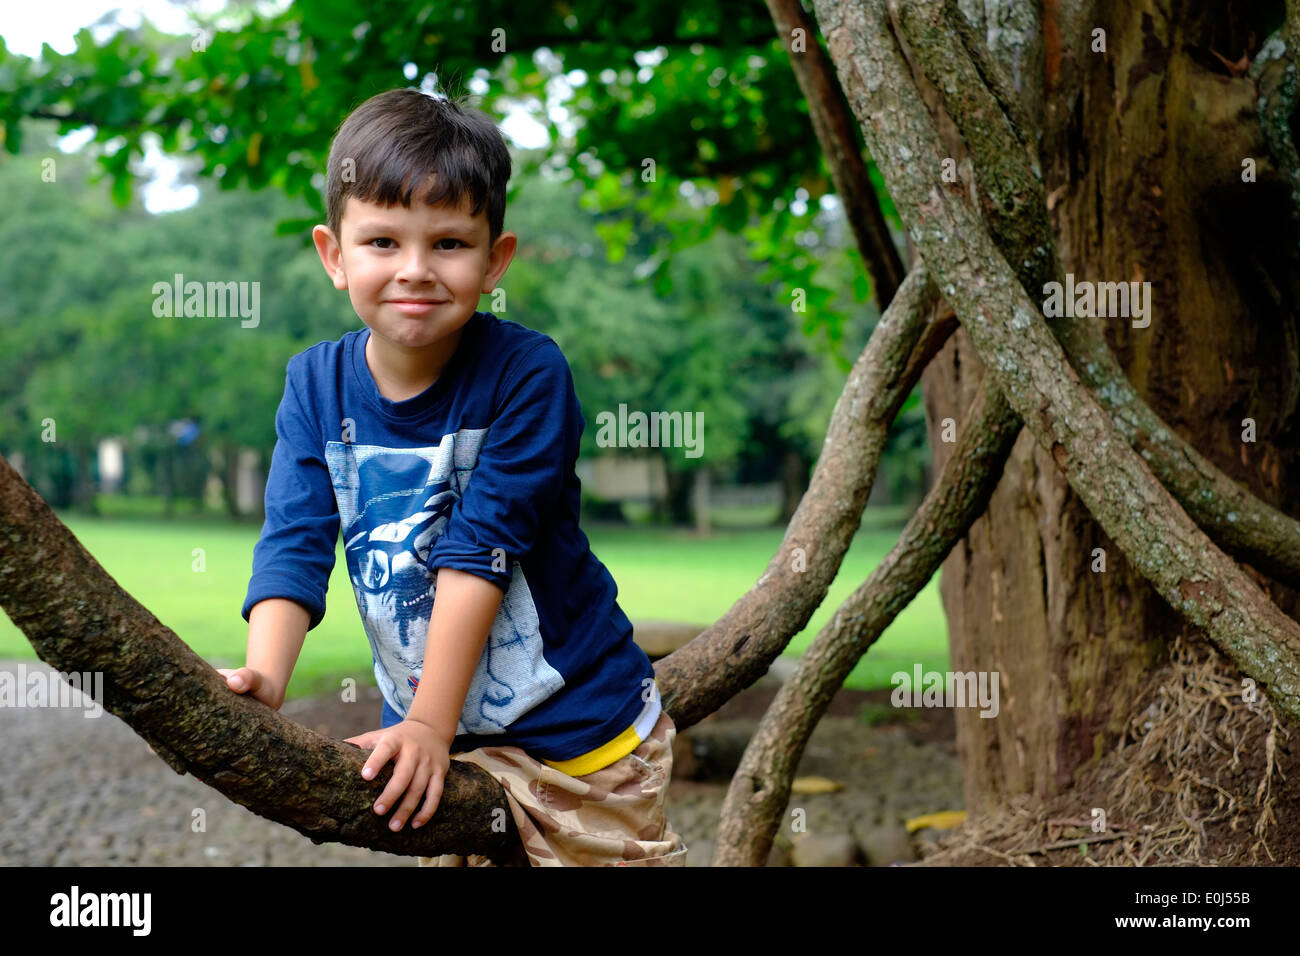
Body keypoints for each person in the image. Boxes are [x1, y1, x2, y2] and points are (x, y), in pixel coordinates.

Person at [220, 87, 687, 866]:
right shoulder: (314, 385)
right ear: (334, 255)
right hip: (437, 739)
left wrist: (429, 726)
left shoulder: (525, 373)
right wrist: (266, 677)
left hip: (580, 740)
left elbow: (481, 551)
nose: (414, 271)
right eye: (380, 242)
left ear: (495, 259)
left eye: (448, 244)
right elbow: (294, 540)